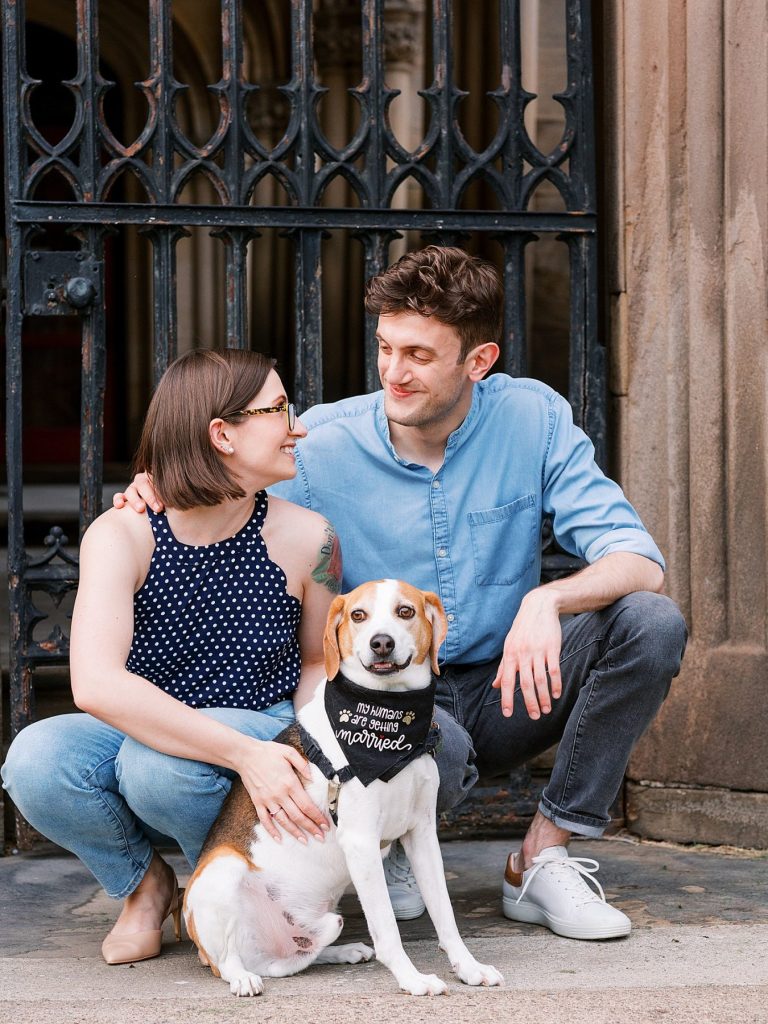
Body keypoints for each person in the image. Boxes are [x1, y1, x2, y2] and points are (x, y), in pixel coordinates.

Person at [115, 246, 688, 941]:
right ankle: (387, 847)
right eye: (385, 347)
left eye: (418, 354)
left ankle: (542, 857)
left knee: (650, 623)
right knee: (425, 734)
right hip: (388, 698)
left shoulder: (533, 419)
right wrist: (154, 491)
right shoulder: (321, 442)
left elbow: (640, 561)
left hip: (510, 683)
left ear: (478, 361)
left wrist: (547, 602)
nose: (393, 371)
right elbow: (219, 484)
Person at [1, 349, 341, 965]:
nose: (298, 426)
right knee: (34, 760)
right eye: (280, 409)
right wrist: (244, 756)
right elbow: (96, 686)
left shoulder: (313, 538)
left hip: (260, 718)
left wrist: (313, 755)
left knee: (157, 768)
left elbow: (319, 660)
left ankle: (236, 887)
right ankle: (146, 887)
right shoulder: (122, 532)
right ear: (222, 434)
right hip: (158, 728)